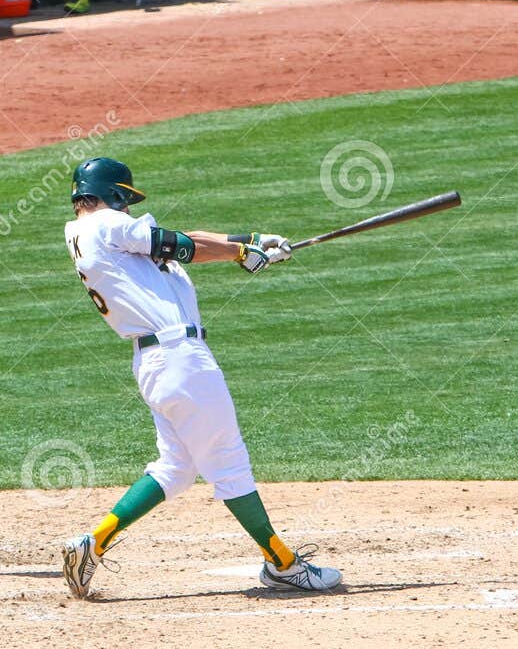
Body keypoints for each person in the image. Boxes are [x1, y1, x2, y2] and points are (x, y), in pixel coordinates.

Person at [59, 157, 343, 600]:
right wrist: (243, 253)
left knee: (176, 468)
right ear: (113, 195)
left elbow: (181, 240)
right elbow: (179, 245)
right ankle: (284, 564)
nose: (130, 210)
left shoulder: (95, 234)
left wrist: (248, 241)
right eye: (126, 201)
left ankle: (91, 545)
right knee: (230, 463)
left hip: (157, 363)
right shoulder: (107, 224)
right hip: (180, 359)